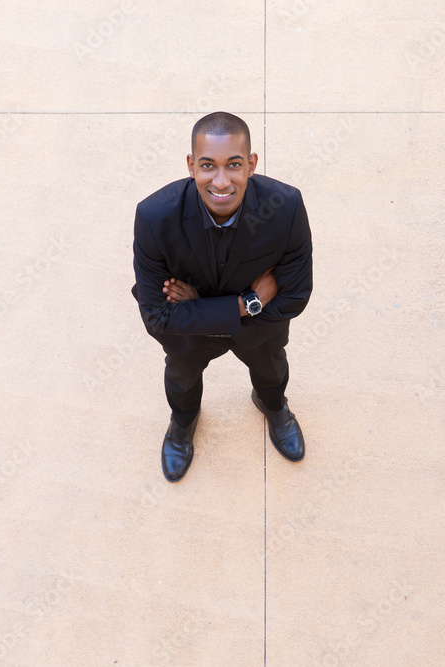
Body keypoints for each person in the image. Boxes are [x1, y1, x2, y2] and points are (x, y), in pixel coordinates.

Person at [131, 111, 314, 482]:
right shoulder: (153, 217)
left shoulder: (286, 207)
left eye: (233, 165)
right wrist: (246, 303)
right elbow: (156, 316)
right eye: (207, 166)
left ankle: (274, 406)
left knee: (272, 372)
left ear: (251, 164)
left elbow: (295, 295)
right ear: (190, 165)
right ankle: (182, 423)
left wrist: (196, 305)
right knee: (180, 381)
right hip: (192, 337)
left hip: (259, 332)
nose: (221, 180)